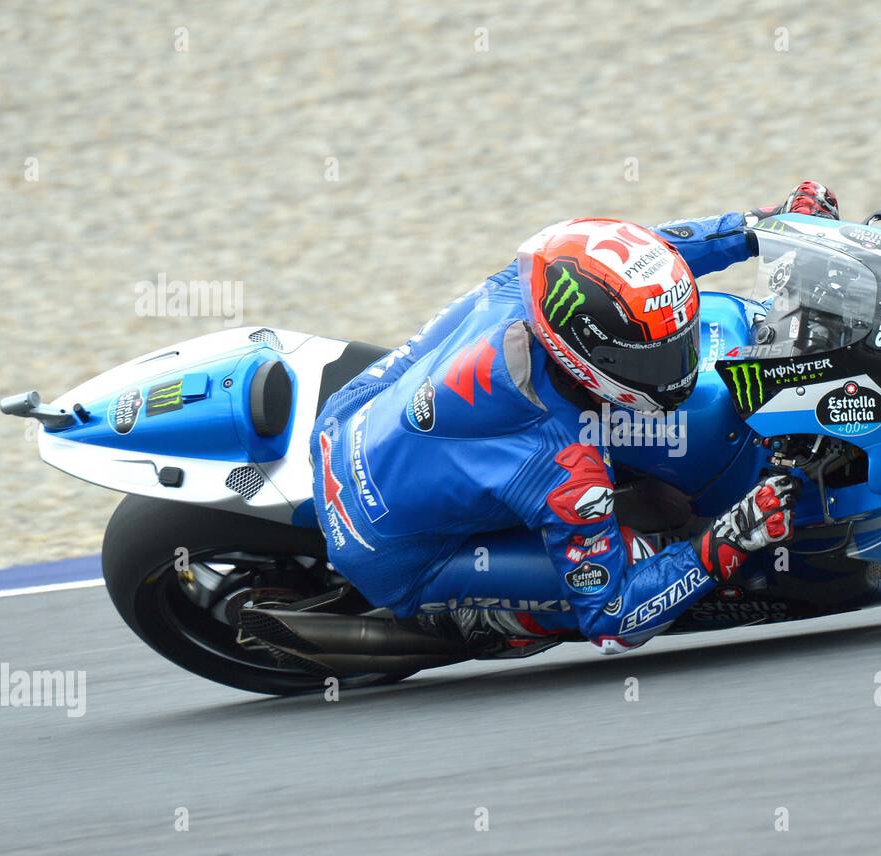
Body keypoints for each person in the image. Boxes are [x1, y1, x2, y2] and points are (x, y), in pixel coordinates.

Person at [257, 182, 841, 662]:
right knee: (641, 550)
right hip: (383, 546)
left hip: (349, 415)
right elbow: (613, 620)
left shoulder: (537, 277)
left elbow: (656, 252)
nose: (677, 360)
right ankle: (488, 621)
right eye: (656, 356)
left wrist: (766, 226)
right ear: (593, 358)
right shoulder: (565, 466)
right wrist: (730, 537)